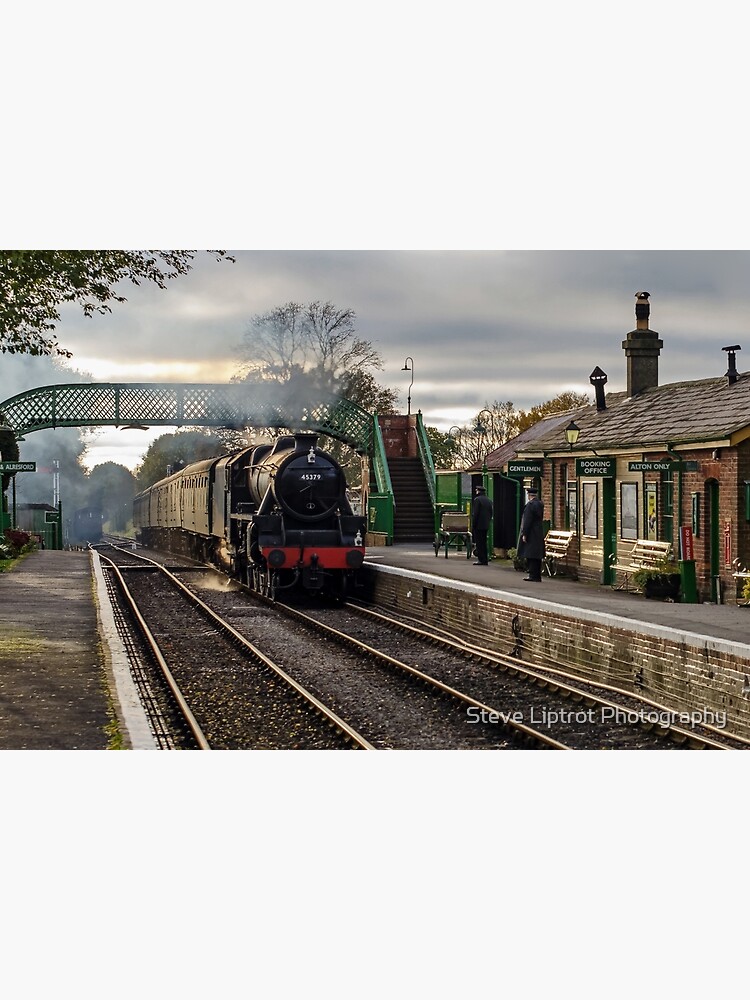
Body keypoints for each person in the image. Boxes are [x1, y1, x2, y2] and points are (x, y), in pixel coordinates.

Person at [517, 486, 544, 582]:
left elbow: (527, 521)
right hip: (538, 532)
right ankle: (537, 575)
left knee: (530, 554)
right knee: (537, 555)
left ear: (529, 495)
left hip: (531, 533)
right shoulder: (540, 504)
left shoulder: (530, 505)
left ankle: (532, 575)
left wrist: (524, 534)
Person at [471, 485, 493, 565]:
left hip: (478, 525)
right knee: (484, 542)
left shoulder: (477, 500)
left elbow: (476, 514)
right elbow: (491, 512)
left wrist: (473, 524)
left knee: (479, 543)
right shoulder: (489, 500)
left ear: (478, 491)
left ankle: (481, 559)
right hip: (486, 524)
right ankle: (485, 559)